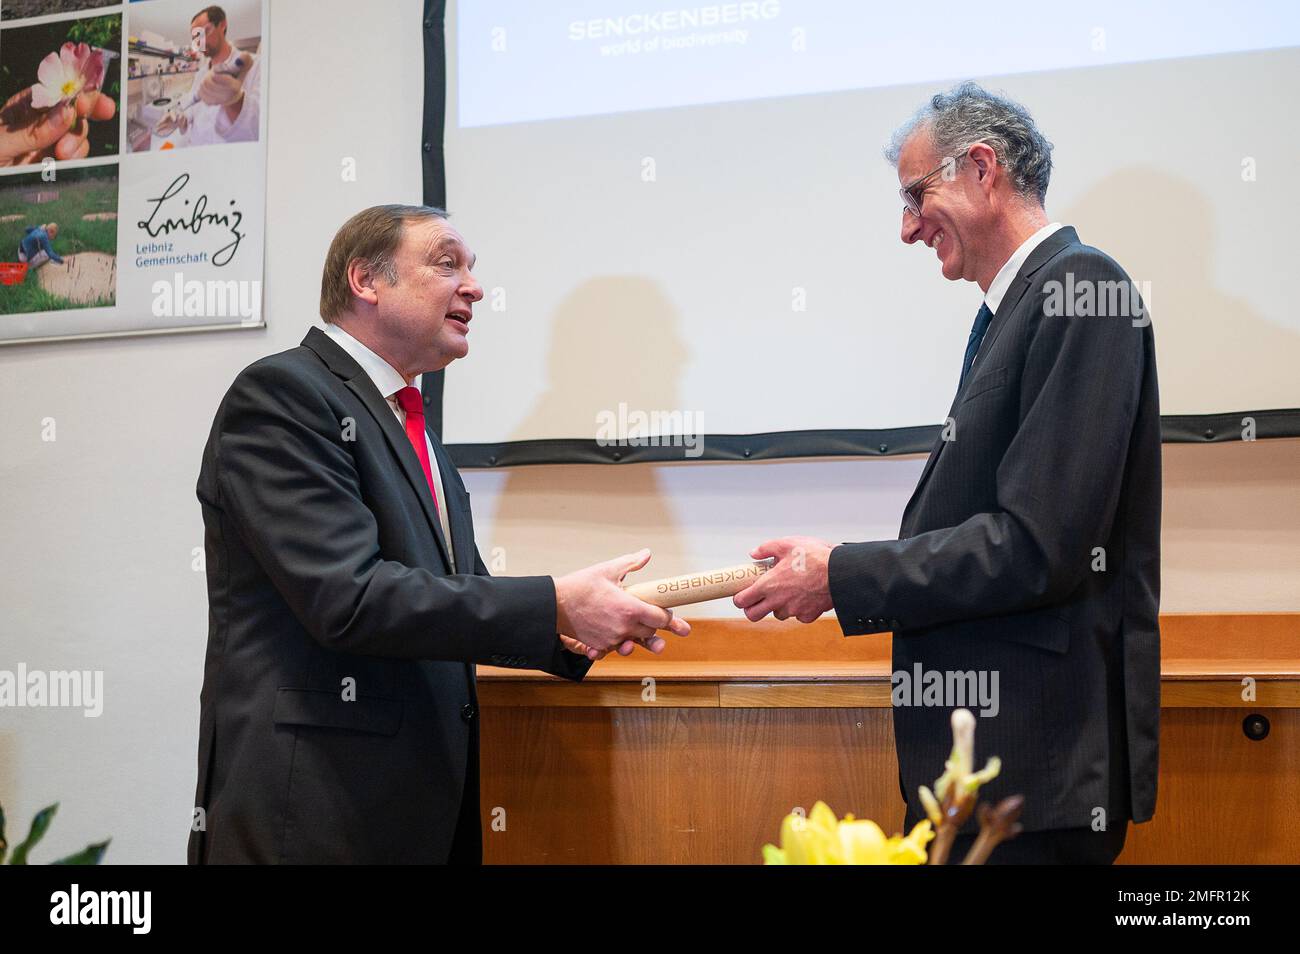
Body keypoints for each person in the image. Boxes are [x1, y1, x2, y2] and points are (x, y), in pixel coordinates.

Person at [734, 82, 1161, 865]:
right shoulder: (1016, 306)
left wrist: (841, 575)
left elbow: (1036, 547)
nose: (905, 229)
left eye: (914, 194)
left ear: (983, 170)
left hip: (1034, 778)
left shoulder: (1080, 289)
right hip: (994, 775)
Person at [189, 204, 688, 864]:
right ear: (366, 280)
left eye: (473, 270)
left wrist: (575, 626)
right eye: (446, 263)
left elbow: (457, 596)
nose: (475, 287)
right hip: (313, 815)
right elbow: (350, 599)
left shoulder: (412, 427)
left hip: (415, 816)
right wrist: (557, 601)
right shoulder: (284, 396)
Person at [160, 5, 260, 145]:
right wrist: (181, 119)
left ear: (223, 25)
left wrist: (235, 102)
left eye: (204, 32)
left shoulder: (256, 65)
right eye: (196, 37)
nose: (199, 42)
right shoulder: (201, 73)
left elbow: (260, 127)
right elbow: (193, 107)